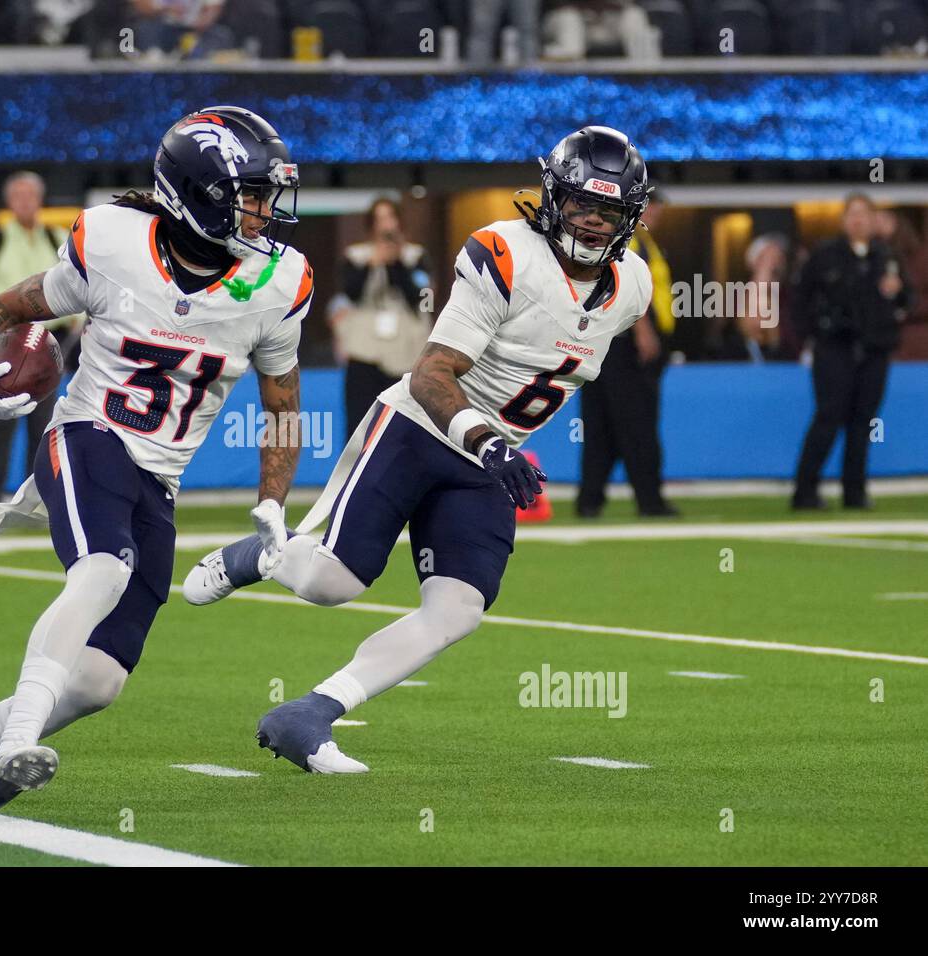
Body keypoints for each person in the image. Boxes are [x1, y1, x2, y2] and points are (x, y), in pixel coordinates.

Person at [0, 106, 312, 814]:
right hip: (88, 435)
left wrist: (274, 506)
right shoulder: (112, 242)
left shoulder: (278, 286)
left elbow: (283, 408)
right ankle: (15, 749)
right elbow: (9, 306)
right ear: (200, 196)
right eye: (251, 195)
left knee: (99, 683)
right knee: (102, 571)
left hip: (159, 479)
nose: (265, 212)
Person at [184, 126, 653, 773]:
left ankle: (311, 712)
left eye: (610, 212)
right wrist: (487, 441)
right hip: (422, 431)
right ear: (552, 200)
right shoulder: (505, 256)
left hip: (490, 457)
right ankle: (261, 556)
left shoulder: (633, 287)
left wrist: (494, 447)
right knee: (329, 582)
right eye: (582, 206)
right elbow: (433, 372)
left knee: (458, 609)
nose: (594, 224)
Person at [0, 171, 80, 506]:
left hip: (46, 343)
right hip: (5, 341)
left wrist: (80, 319)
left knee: (44, 423)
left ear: (39, 201)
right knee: (2, 422)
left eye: (31, 196)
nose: (25, 202)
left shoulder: (55, 237)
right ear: (10, 202)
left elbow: (73, 285)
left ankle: (35, 496)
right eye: (18, 196)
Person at [791, 193, 909, 510]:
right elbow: (800, 299)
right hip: (834, 347)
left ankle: (854, 493)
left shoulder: (886, 256)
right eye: (851, 214)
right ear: (843, 221)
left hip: (874, 350)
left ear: (874, 220)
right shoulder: (825, 255)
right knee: (829, 415)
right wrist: (807, 339)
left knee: (864, 421)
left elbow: (909, 301)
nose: (857, 220)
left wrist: (897, 293)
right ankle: (805, 491)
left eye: (864, 213)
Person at [575, 190, 675, 518]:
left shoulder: (624, 240)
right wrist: (643, 330)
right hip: (624, 345)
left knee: (601, 424)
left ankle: (590, 500)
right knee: (638, 425)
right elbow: (624, 285)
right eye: (654, 208)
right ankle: (650, 500)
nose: (657, 215)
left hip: (603, 343)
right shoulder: (627, 242)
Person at [331, 197, 433, 444]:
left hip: (406, 350)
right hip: (366, 350)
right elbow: (350, 295)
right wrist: (372, 263)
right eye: (379, 219)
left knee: (406, 425)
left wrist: (397, 262)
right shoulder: (356, 256)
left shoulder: (416, 256)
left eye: (390, 217)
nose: (386, 225)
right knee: (360, 421)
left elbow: (423, 300)